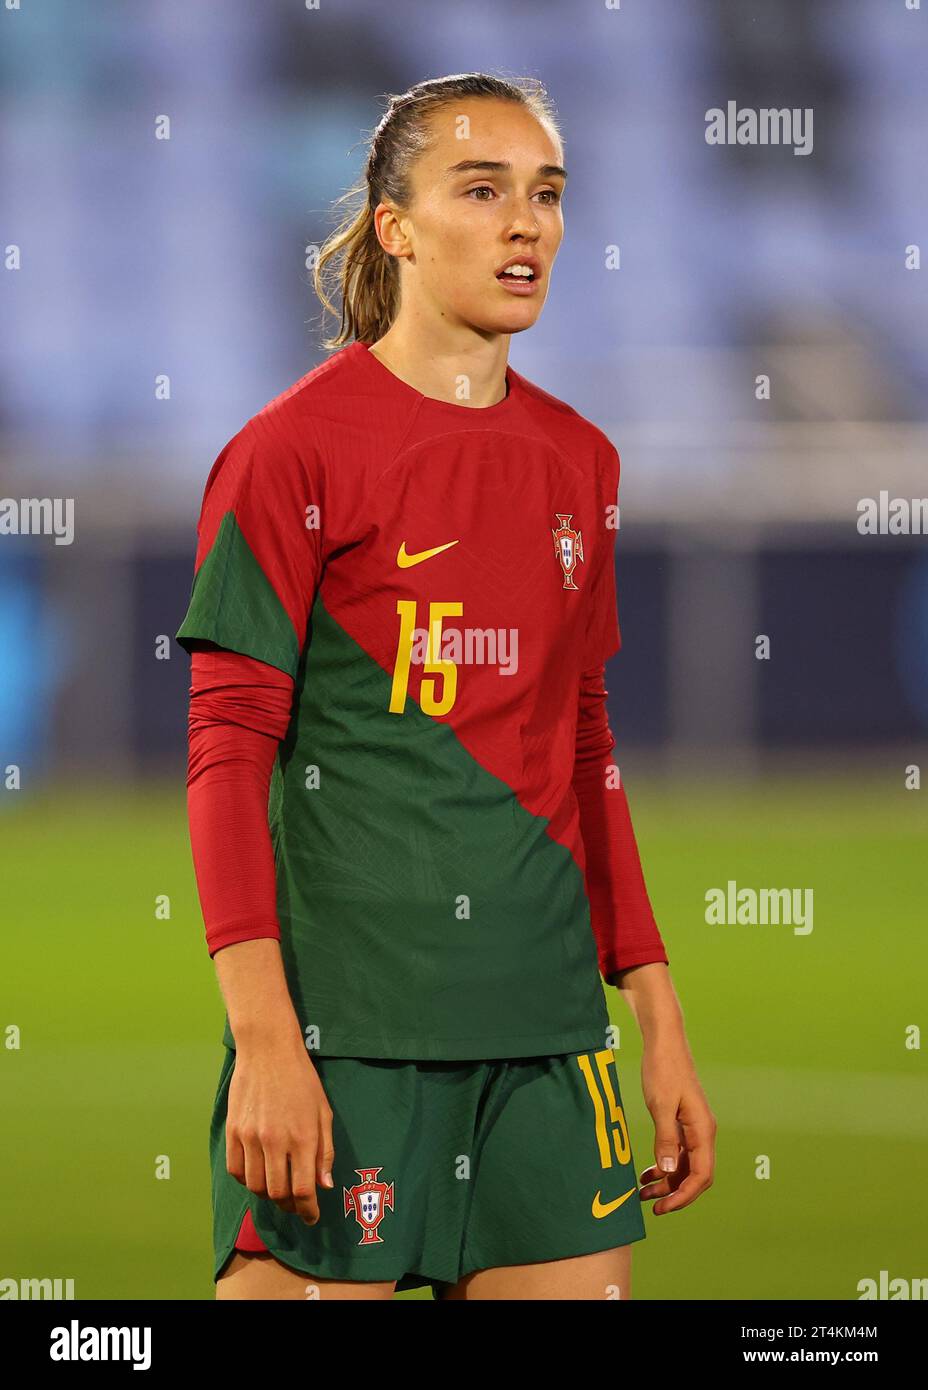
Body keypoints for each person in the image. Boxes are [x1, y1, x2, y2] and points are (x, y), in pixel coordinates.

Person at [175, 71, 716, 1302]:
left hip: (545, 1043)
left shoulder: (581, 459)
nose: (526, 223)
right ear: (396, 227)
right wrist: (263, 1036)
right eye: (483, 190)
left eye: (546, 194)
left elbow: (583, 748)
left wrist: (657, 1012)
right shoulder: (287, 453)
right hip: (345, 1041)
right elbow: (228, 754)